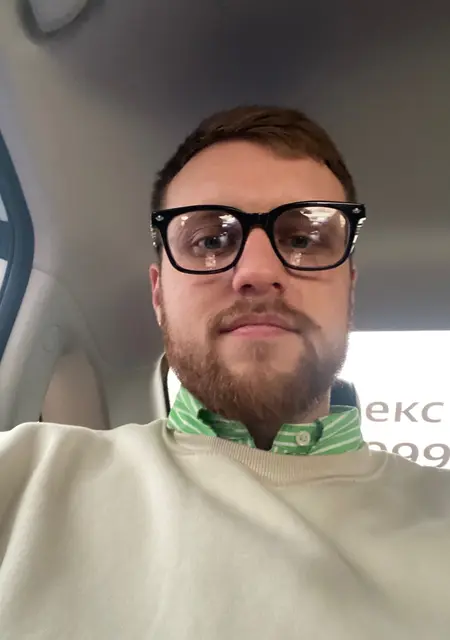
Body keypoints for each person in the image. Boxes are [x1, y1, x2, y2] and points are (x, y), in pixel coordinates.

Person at [0, 106, 449, 640]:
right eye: (210, 241)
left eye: (303, 239)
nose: (257, 272)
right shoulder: (25, 475)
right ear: (158, 295)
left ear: (349, 292)